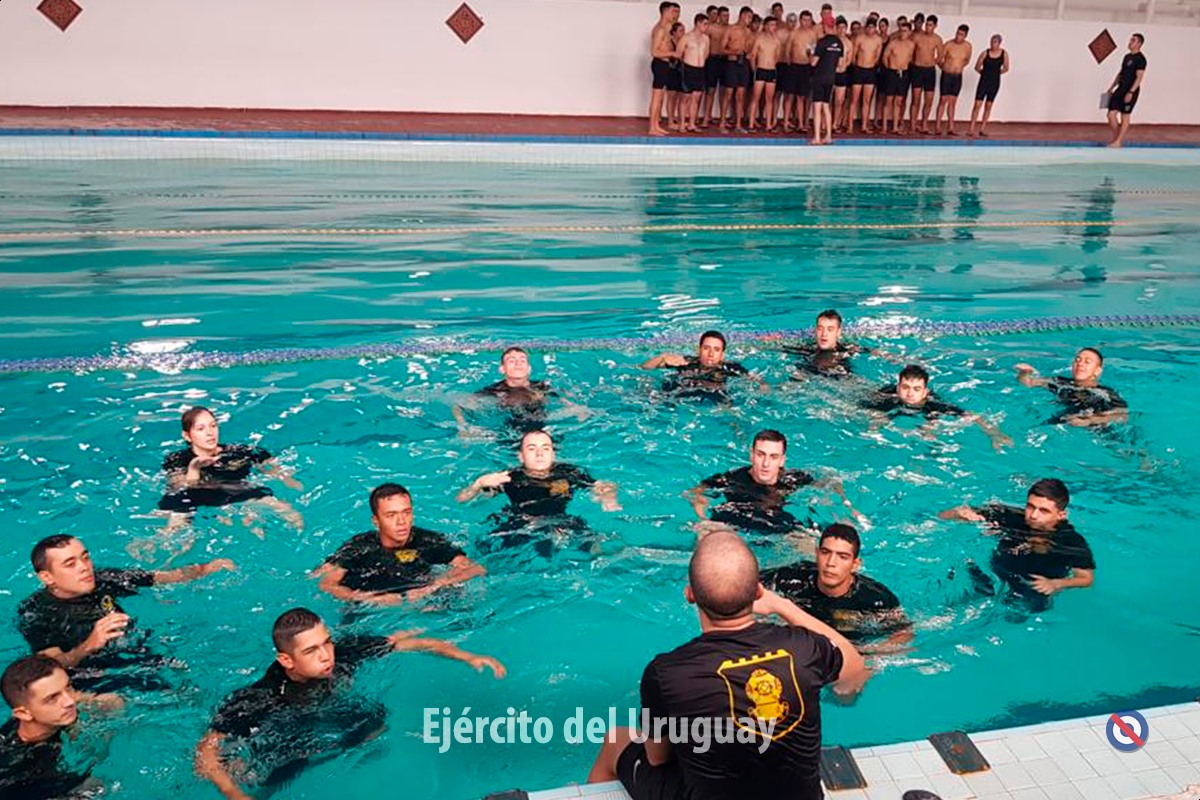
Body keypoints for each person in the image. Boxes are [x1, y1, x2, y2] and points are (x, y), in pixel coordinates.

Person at [586, 532, 868, 800]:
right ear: (759, 591)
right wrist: (784, 606)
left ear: (690, 594)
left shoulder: (667, 672)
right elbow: (854, 668)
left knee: (615, 740)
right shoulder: (805, 648)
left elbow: (657, 758)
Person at [195, 607, 504, 800]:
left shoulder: (344, 653)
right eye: (312, 650)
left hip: (333, 707)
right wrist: (234, 794)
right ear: (287, 660)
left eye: (327, 642)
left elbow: (407, 642)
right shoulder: (259, 698)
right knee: (280, 769)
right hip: (288, 727)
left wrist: (467, 656)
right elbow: (205, 751)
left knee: (375, 725)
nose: (326, 655)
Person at [17, 535, 235, 693]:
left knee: (191, 683)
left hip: (135, 652)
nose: (84, 568)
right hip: (93, 676)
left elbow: (163, 577)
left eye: (85, 558)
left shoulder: (103, 579)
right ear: (47, 577)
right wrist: (90, 644)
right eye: (70, 564)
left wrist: (208, 568)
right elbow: (51, 667)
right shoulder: (36, 613)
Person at [313, 483, 484, 606]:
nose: (401, 522)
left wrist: (434, 585)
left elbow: (475, 568)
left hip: (419, 600)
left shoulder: (428, 541)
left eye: (406, 513)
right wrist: (368, 598)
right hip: (371, 604)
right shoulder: (360, 546)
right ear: (376, 521)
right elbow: (326, 584)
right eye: (391, 515)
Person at [939, 479, 1095, 612]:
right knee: (961, 582)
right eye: (1030, 506)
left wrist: (1056, 584)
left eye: (1044, 511)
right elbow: (943, 515)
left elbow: (1086, 579)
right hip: (998, 571)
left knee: (1015, 615)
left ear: (1061, 515)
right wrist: (961, 515)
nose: (1033, 515)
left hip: (1033, 586)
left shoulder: (1072, 541)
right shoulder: (1010, 517)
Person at [457, 429, 620, 553]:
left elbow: (604, 485)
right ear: (521, 456)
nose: (540, 453)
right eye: (531, 448)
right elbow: (462, 499)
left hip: (561, 521)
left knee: (597, 547)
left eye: (546, 448)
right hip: (519, 522)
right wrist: (478, 484)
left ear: (553, 454)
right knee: (486, 549)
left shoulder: (570, 473)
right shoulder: (509, 477)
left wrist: (609, 498)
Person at [155, 405, 303, 541]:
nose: (210, 433)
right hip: (196, 497)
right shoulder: (177, 460)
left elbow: (269, 464)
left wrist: (286, 478)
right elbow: (182, 489)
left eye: (213, 426)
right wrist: (194, 468)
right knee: (174, 532)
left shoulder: (238, 452)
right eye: (201, 428)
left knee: (292, 515)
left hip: (238, 493)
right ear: (187, 436)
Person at [689, 429, 865, 540]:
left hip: (778, 525)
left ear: (782, 460)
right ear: (751, 455)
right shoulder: (732, 478)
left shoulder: (792, 478)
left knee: (810, 542)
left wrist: (846, 505)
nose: (766, 463)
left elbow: (831, 481)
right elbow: (695, 492)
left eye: (773, 457)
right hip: (733, 523)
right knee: (705, 530)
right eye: (760, 455)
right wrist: (702, 515)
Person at [761, 524, 911, 647]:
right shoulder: (790, 579)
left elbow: (904, 633)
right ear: (817, 554)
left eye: (843, 557)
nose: (831, 563)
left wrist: (867, 656)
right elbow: (745, 586)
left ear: (855, 564)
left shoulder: (876, 599)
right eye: (825, 553)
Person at [1, 655, 120, 800]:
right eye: (52, 698)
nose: (70, 701)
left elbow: (114, 702)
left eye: (68, 687)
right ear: (23, 713)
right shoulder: (25, 768)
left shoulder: (47, 717)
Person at [863, 364, 1013, 451]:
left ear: (925, 392)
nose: (910, 394)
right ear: (897, 388)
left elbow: (973, 416)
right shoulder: (885, 396)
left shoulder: (934, 404)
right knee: (874, 423)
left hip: (926, 413)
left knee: (929, 434)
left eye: (916, 389)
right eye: (905, 387)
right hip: (891, 406)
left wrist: (994, 433)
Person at [453, 346, 586, 439]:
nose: (518, 364)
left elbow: (564, 401)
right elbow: (458, 405)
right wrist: (463, 427)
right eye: (512, 361)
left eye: (522, 360)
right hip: (508, 434)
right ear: (502, 369)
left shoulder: (542, 386)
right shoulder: (494, 391)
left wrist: (578, 409)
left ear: (528, 368)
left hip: (543, 430)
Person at [1014, 348, 1128, 427]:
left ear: (1097, 371)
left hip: (1097, 428)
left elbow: (1122, 415)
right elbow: (1028, 383)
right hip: (1064, 419)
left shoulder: (1105, 393)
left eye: (1087, 362)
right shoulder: (1060, 383)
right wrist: (1024, 373)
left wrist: (1089, 420)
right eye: (1077, 360)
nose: (1080, 364)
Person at [641, 330, 756, 402]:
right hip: (677, 393)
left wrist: (762, 387)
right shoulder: (686, 362)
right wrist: (662, 357)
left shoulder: (731, 368)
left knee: (729, 408)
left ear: (722, 355)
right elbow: (645, 367)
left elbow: (757, 381)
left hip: (713, 394)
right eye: (706, 348)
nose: (711, 354)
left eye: (716, 350)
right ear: (699, 350)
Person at [781, 308, 885, 379]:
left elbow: (871, 350)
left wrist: (886, 355)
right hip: (808, 374)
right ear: (815, 330)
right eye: (820, 328)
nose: (824, 334)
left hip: (840, 377)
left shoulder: (847, 349)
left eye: (830, 329)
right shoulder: (805, 349)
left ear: (838, 332)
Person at [1106, 33, 1147, 148]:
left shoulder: (1141, 59)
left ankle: (1118, 141)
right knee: (1111, 114)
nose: (1130, 42)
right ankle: (1116, 138)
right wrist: (1111, 87)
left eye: (1133, 40)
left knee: (1125, 115)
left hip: (1130, 90)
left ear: (1139, 43)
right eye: (1130, 40)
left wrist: (1131, 92)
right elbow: (1120, 73)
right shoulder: (1127, 57)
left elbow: (1139, 78)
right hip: (1121, 88)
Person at [809, 11, 844, 145]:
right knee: (826, 107)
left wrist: (810, 53)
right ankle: (828, 136)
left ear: (825, 26)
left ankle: (817, 137)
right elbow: (840, 64)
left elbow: (813, 63)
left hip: (819, 78)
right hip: (831, 78)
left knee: (817, 108)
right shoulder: (839, 43)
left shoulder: (821, 42)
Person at [648, 2, 682, 136]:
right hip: (659, 64)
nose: (676, 15)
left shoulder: (667, 28)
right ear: (665, 12)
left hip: (664, 64)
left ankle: (656, 125)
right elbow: (654, 52)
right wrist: (672, 54)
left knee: (660, 97)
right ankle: (652, 127)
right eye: (673, 12)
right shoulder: (660, 29)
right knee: (656, 98)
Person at [720, 6, 755, 131]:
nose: (750, 20)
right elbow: (722, 48)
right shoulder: (731, 29)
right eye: (749, 17)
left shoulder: (749, 32)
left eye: (751, 18)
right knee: (728, 94)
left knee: (741, 95)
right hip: (732, 63)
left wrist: (750, 55)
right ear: (742, 15)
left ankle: (738, 124)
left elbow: (750, 50)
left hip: (744, 64)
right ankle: (722, 123)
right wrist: (734, 51)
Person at [783, 10, 818, 133]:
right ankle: (786, 122)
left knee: (801, 97)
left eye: (808, 20)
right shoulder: (794, 33)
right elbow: (787, 51)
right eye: (804, 20)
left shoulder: (813, 34)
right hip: (793, 67)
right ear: (800, 20)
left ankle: (801, 123)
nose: (806, 23)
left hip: (806, 68)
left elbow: (814, 52)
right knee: (789, 96)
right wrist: (789, 64)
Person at [968, 34, 1008, 137]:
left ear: (999, 43)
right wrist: (985, 73)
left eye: (995, 42)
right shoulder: (985, 53)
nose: (992, 44)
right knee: (977, 105)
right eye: (991, 42)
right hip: (983, 82)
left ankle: (982, 128)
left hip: (994, 83)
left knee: (988, 106)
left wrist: (996, 73)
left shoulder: (1004, 54)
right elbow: (977, 67)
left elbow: (1006, 68)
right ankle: (971, 128)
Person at [909, 14, 943, 134]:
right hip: (917, 70)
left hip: (929, 71)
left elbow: (940, 55)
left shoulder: (937, 39)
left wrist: (932, 62)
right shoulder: (917, 37)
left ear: (935, 26)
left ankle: (924, 124)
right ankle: (913, 125)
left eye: (930, 25)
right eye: (927, 25)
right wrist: (915, 62)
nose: (928, 27)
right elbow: (910, 52)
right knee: (915, 99)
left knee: (928, 100)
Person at [935, 24, 972, 135]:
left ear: (965, 36)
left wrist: (958, 67)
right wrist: (945, 68)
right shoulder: (948, 44)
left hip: (957, 76)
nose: (958, 36)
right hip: (947, 75)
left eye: (961, 35)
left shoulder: (967, 46)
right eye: (957, 33)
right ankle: (937, 126)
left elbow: (966, 60)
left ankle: (950, 127)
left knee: (953, 102)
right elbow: (939, 59)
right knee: (943, 100)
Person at [848, 18, 882, 134]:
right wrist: (857, 67)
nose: (870, 30)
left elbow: (877, 57)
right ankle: (850, 125)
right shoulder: (860, 38)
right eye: (868, 27)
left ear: (875, 28)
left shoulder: (878, 40)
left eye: (872, 27)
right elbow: (853, 56)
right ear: (865, 27)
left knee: (866, 101)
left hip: (870, 71)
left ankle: (864, 125)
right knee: (854, 99)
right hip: (859, 70)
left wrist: (871, 65)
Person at [679, 14, 712, 132]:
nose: (706, 27)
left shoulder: (706, 39)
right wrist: (688, 63)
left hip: (700, 69)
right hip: (688, 69)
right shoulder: (686, 37)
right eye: (705, 24)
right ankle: (682, 124)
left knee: (696, 98)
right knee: (685, 98)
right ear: (697, 23)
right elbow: (679, 54)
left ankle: (691, 123)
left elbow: (706, 54)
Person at [748, 16, 782, 132]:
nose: (774, 28)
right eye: (771, 25)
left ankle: (768, 125)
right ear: (766, 26)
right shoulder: (759, 39)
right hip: (760, 70)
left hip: (771, 71)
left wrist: (771, 64)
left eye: (775, 25)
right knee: (755, 98)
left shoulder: (777, 41)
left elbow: (777, 57)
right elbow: (753, 56)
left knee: (769, 99)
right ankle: (751, 124)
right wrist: (754, 70)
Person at [880, 21, 915, 134]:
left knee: (898, 101)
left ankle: (895, 126)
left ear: (909, 32)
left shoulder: (911, 44)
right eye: (901, 31)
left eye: (905, 31)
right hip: (892, 72)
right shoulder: (893, 43)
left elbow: (910, 58)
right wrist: (890, 69)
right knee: (888, 100)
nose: (902, 33)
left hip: (903, 73)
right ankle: (884, 126)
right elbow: (885, 57)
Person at [702, 6, 731, 127]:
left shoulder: (730, 29)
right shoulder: (711, 28)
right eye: (724, 16)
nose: (727, 18)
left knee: (724, 91)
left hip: (726, 61)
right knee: (710, 90)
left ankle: (722, 118)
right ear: (718, 16)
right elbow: (703, 43)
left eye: (728, 16)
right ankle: (706, 117)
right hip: (713, 60)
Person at [831, 16, 854, 132]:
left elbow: (849, 60)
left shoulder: (849, 43)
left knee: (839, 101)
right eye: (839, 28)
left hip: (842, 74)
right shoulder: (831, 41)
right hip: (831, 73)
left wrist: (843, 66)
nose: (841, 30)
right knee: (828, 100)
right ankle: (825, 124)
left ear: (846, 29)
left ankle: (835, 123)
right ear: (836, 28)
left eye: (843, 28)